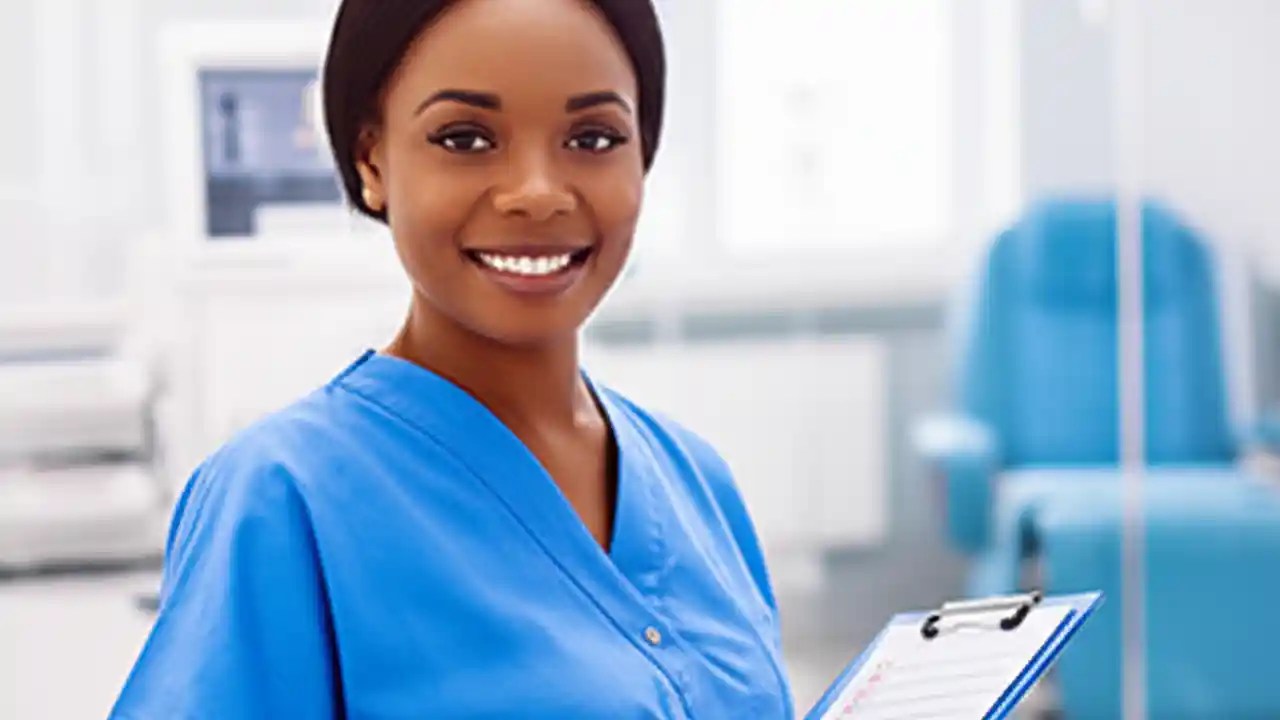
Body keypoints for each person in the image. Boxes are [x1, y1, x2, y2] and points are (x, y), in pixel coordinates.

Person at [111, 0, 793, 717]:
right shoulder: (282, 498)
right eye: (466, 138)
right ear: (371, 161)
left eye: (593, 138)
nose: (537, 193)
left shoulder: (695, 481)